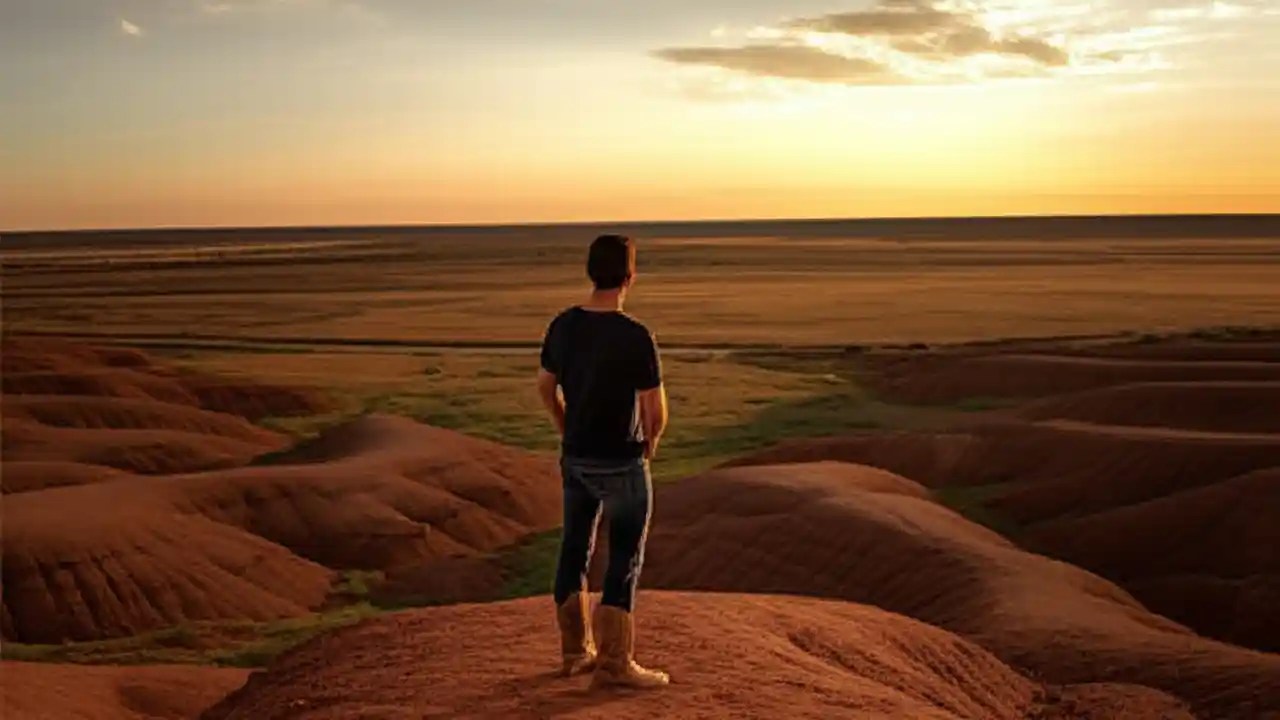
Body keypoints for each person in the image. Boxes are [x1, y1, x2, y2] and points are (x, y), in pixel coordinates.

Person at [536, 234, 670, 689]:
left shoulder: (562, 326)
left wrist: (565, 426)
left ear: (590, 271)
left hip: (575, 458)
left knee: (574, 549)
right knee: (624, 559)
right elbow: (655, 411)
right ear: (630, 276)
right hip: (622, 463)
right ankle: (614, 664)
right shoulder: (636, 337)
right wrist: (649, 444)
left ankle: (574, 653)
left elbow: (543, 388)